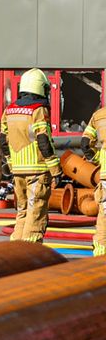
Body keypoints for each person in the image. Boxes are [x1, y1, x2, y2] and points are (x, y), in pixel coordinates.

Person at [0, 68, 61, 243]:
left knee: (23, 211)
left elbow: (3, 141)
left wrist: (11, 165)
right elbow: (43, 141)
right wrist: (56, 170)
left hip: (18, 171)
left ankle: (16, 251)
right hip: (37, 170)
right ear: (41, 88)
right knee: (36, 213)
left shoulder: (9, 110)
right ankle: (30, 254)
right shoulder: (38, 110)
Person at [81, 103, 106, 257]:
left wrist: (99, 159)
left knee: (104, 216)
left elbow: (85, 144)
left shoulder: (99, 115)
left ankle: (100, 256)